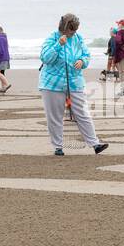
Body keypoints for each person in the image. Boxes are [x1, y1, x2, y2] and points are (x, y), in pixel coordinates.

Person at [39, 13, 108, 156]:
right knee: (55, 117)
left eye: (75, 29)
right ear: (64, 28)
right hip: (52, 83)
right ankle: (58, 147)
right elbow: (45, 58)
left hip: (75, 82)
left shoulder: (78, 38)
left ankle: (95, 144)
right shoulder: (52, 38)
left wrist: (83, 62)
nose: (74, 32)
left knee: (82, 113)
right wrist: (58, 45)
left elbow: (86, 55)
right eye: (72, 30)